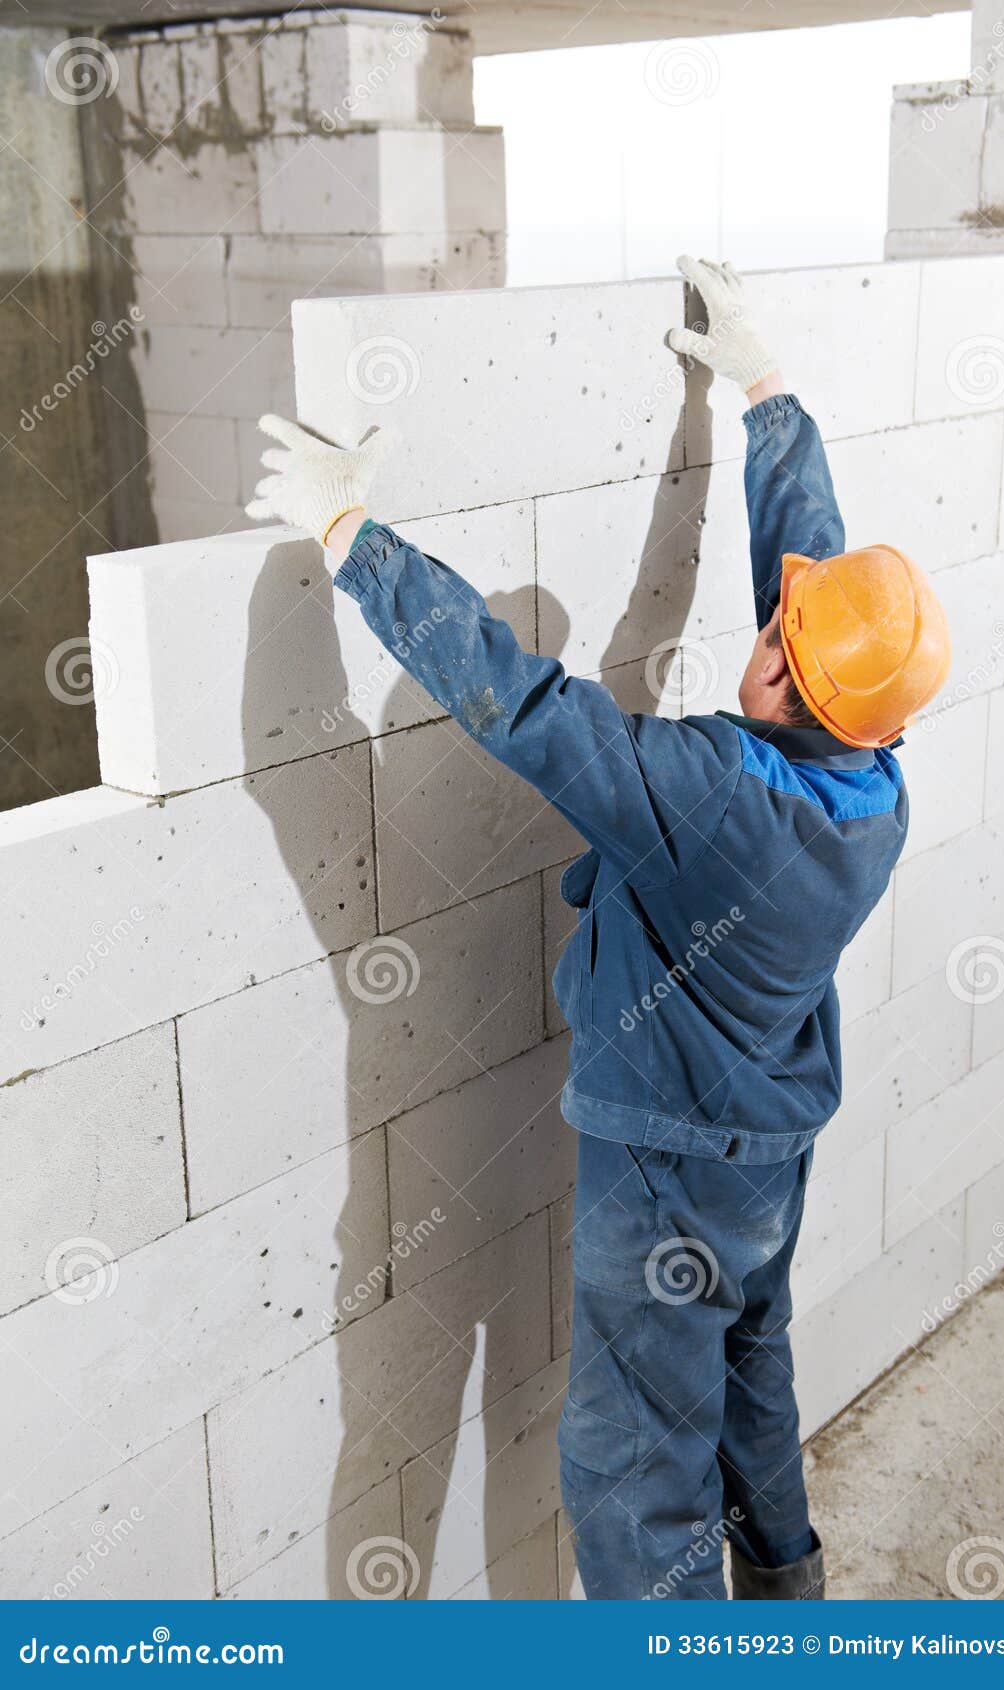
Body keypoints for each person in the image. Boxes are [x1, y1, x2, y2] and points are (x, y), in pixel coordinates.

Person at [246, 258, 950, 1602]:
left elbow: (525, 707)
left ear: (779, 679)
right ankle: (785, 1603)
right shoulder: (868, 770)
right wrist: (763, 394)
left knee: (633, 1473)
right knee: (750, 1375)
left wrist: (351, 540)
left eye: (780, 636)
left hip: (670, 1165)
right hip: (768, 1148)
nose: (764, 625)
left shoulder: (712, 795)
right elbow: (818, 590)